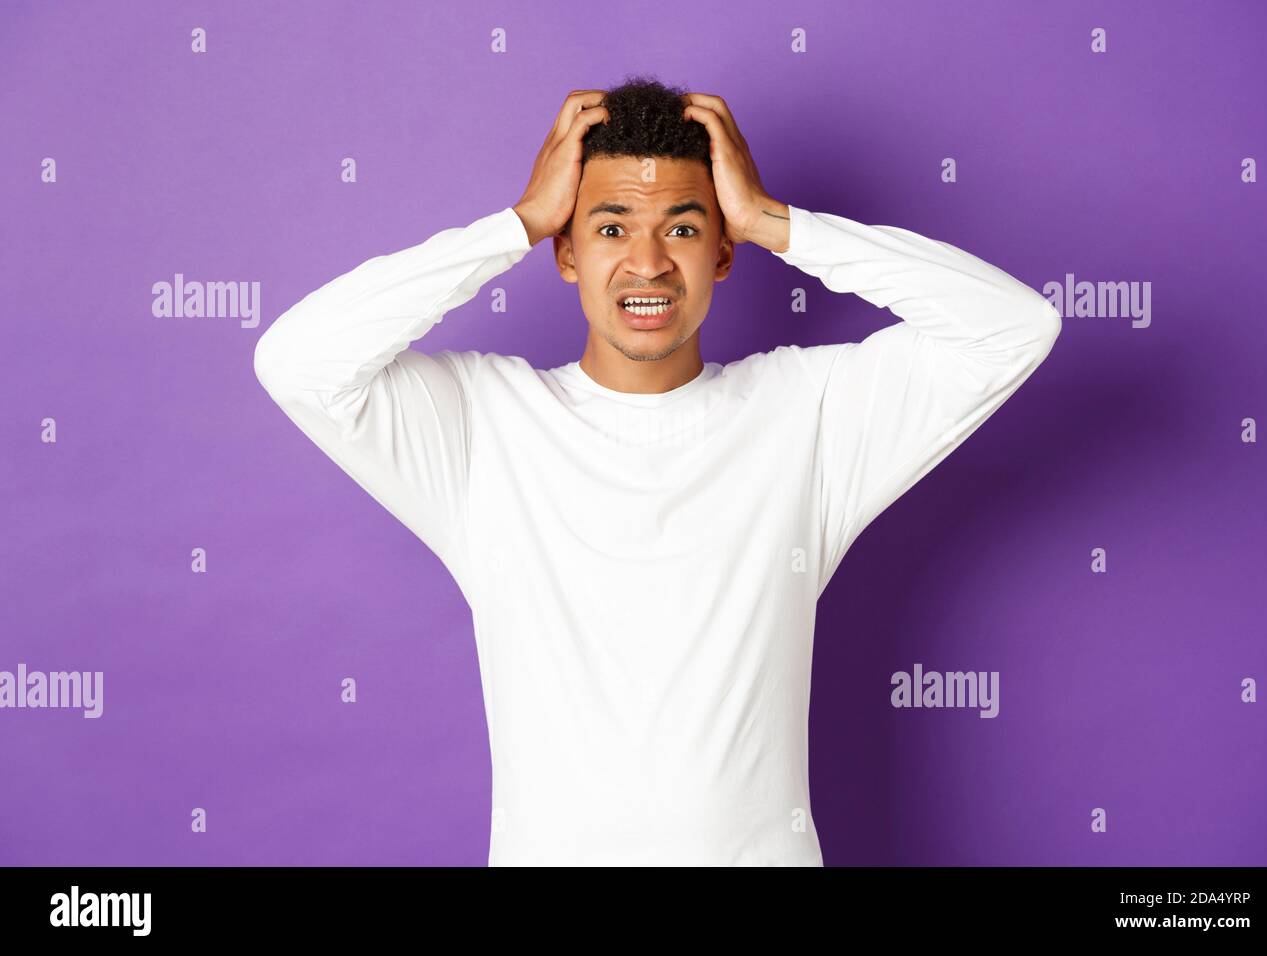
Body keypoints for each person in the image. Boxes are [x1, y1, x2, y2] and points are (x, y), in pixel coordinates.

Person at [253, 77, 1061, 866]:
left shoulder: (808, 414)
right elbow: (298, 361)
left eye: (681, 229)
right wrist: (517, 223)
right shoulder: (480, 425)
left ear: (723, 253)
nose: (647, 263)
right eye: (609, 229)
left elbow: (1013, 329)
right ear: (565, 253)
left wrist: (779, 223)